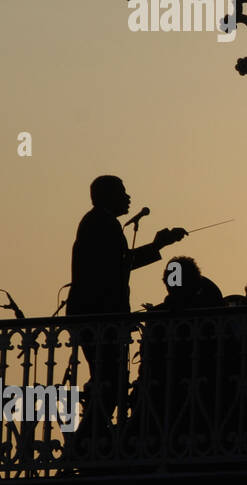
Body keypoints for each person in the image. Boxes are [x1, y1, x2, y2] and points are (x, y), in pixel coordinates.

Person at [66, 175, 186, 436]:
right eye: (122, 192)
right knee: (110, 382)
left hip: (97, 317)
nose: (128, 197)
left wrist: (157, 245)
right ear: (108, 196)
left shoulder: (100, 223)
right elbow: (113, 269)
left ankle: (90, 441)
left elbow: (118, 264)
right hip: (99, 319)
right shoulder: (101, 223)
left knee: (109, 381)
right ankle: (87, 442)